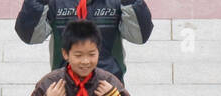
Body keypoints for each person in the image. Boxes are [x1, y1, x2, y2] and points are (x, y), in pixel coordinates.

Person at [15, 0, 154, 81]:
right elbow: (31, 37)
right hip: (64, 86)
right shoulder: (55, 2)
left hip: (108, 86)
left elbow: (139, 36)